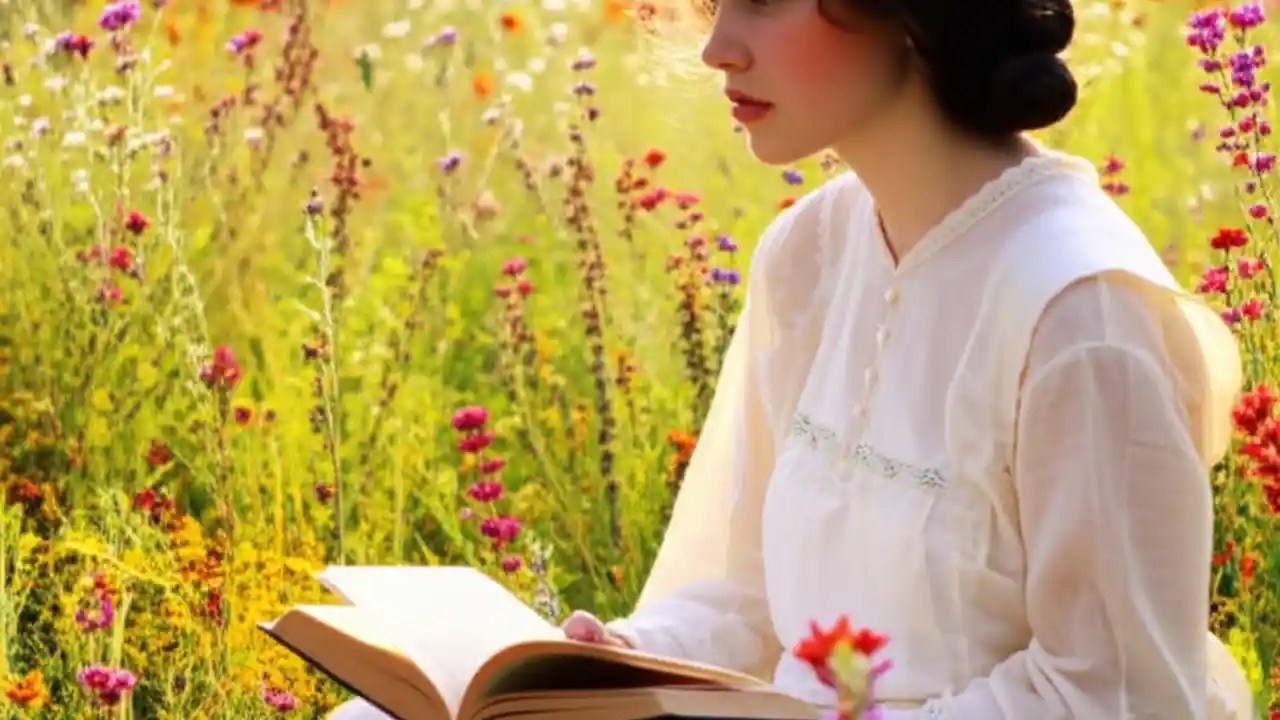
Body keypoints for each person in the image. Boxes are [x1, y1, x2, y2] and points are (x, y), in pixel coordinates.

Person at [559, 0, 1259, 718]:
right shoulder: (810, 253)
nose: (717, 48)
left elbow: (1120, 695)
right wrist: (617, 656)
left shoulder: (1080, 316)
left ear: (911, 14)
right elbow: (755, 599)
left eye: (763, 2)